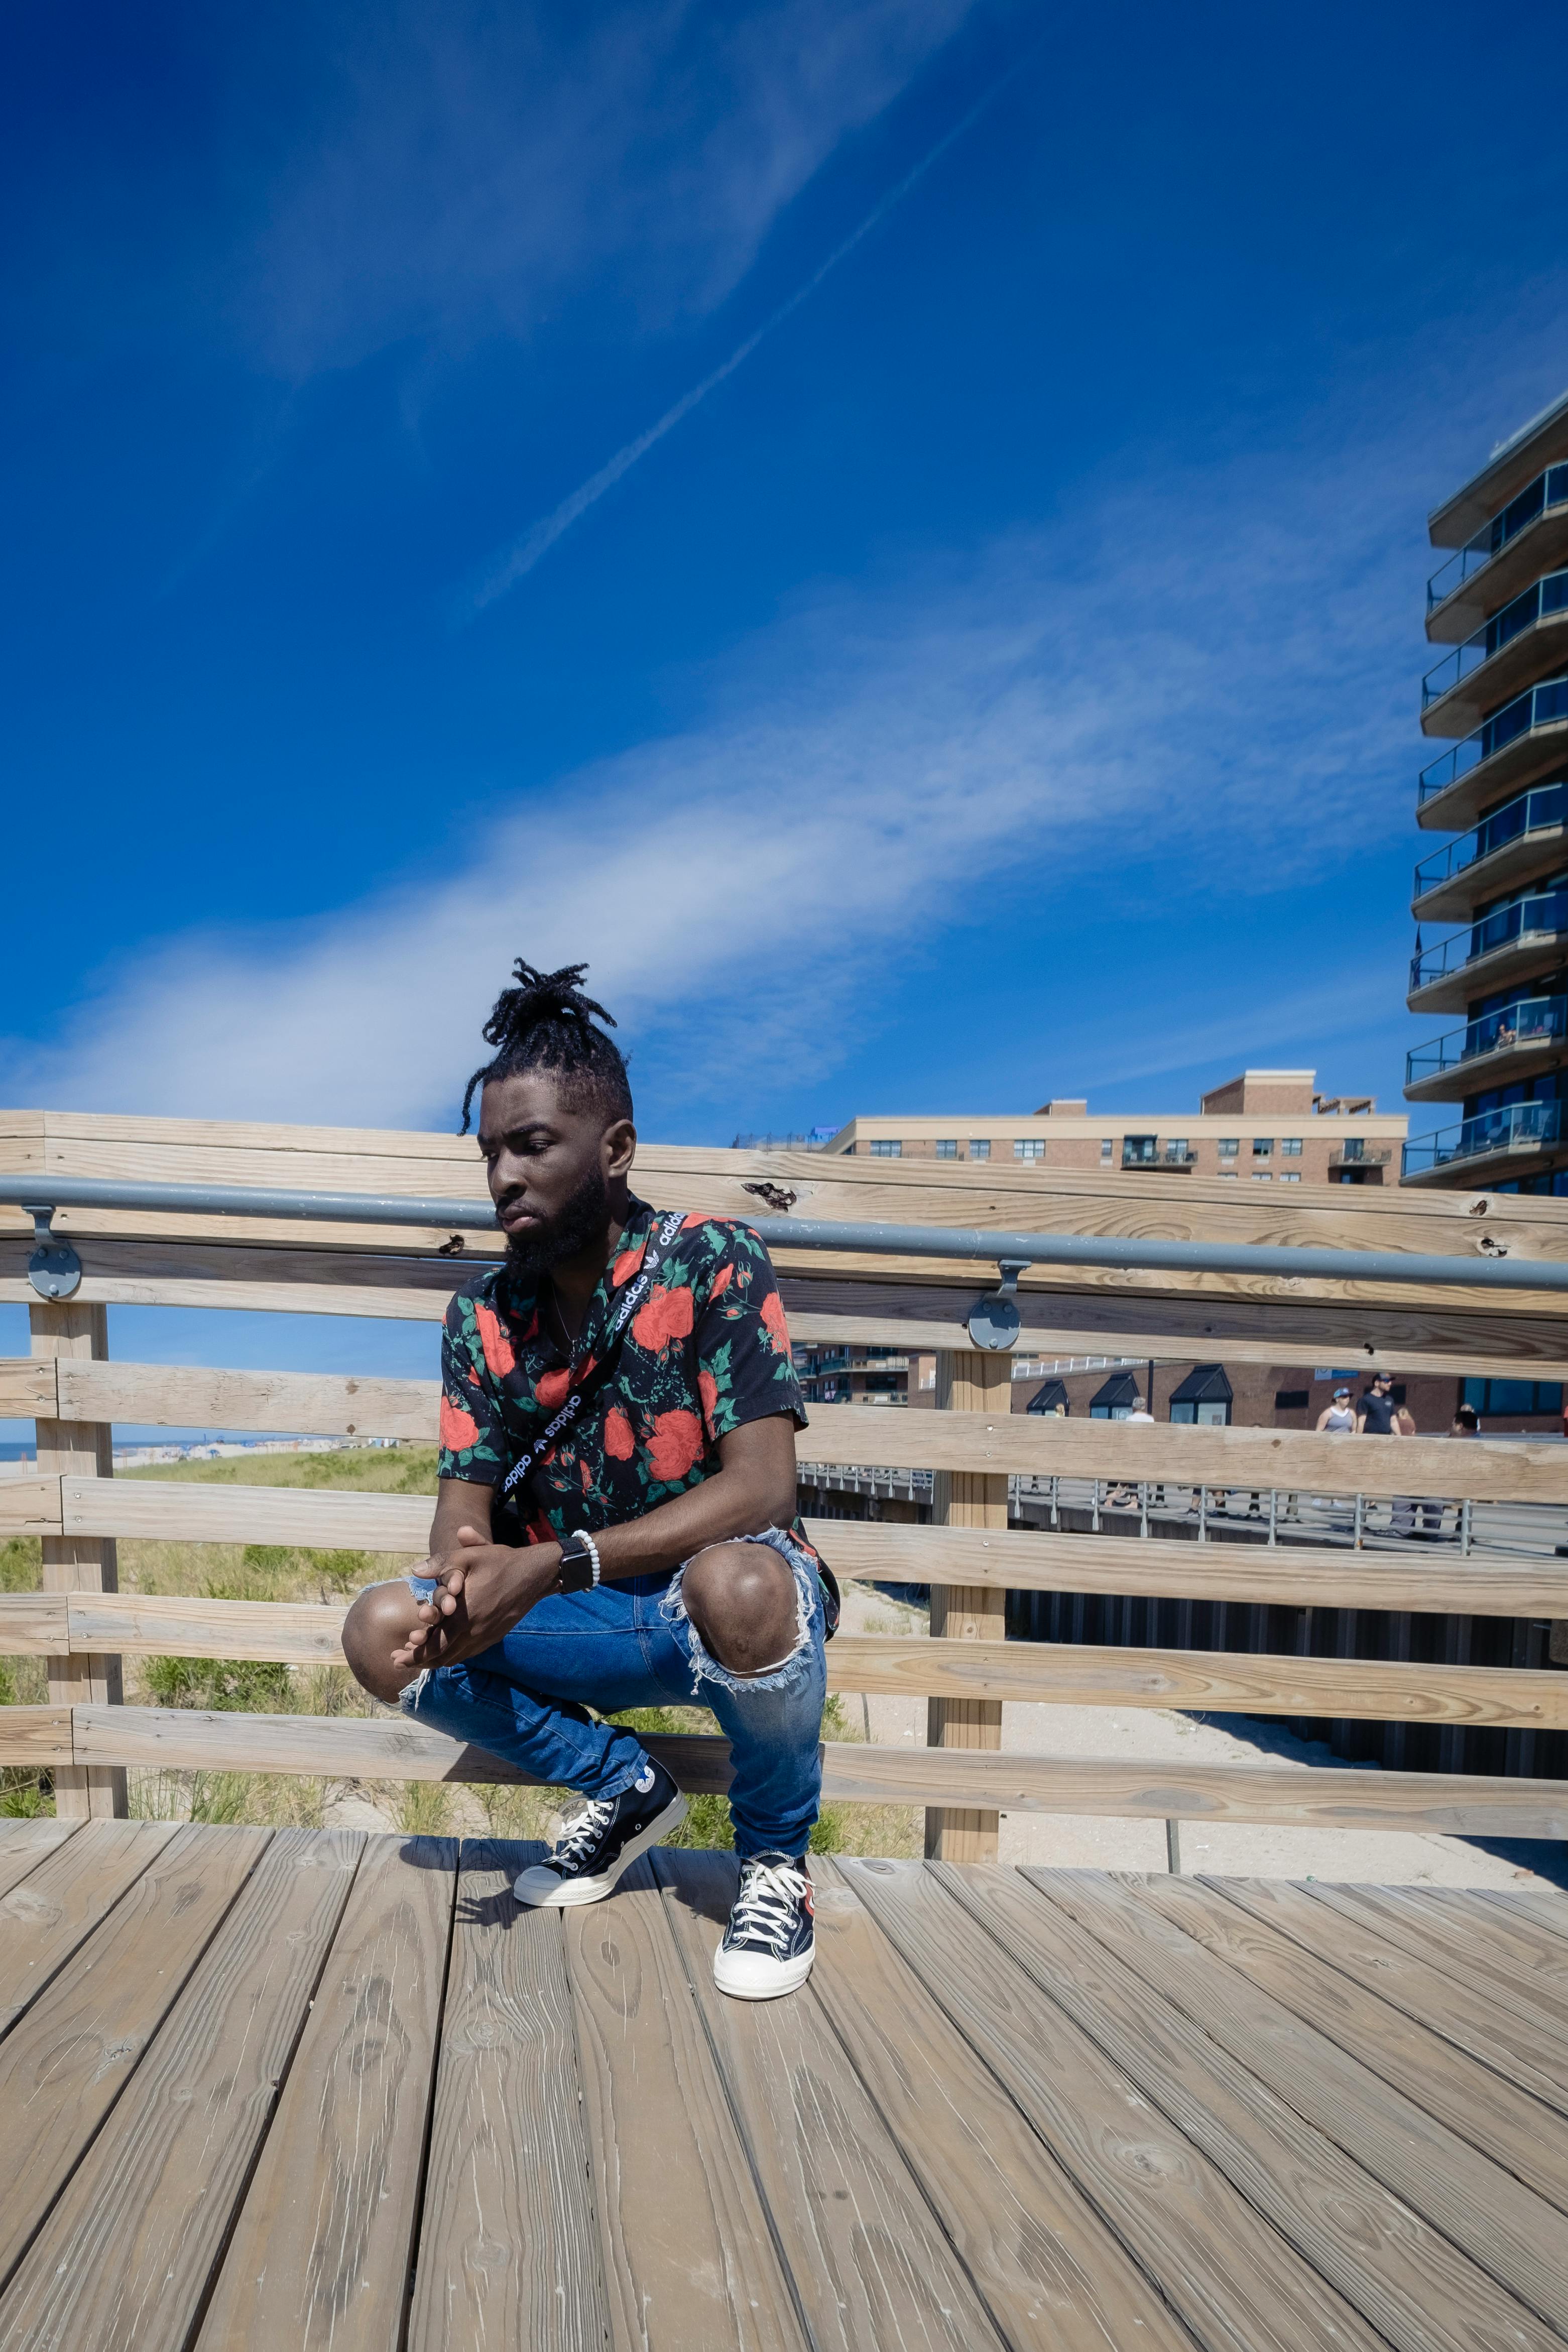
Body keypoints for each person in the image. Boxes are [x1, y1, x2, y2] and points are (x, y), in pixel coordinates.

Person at [341, 958, 837, 2002]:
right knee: (384, 1623)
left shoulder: (712, 1260)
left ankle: (774, 1865)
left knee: (743, 1582)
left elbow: (763, 1491)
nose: (502, 1177)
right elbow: (462, 1514)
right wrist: (460, 1578)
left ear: (613, 1149)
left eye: (531, 1144)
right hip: (572, 1618)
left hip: (707, 1608)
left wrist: (553, 1562)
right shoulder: (480, 1316)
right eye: (489, 1152)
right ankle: (622, 1787)